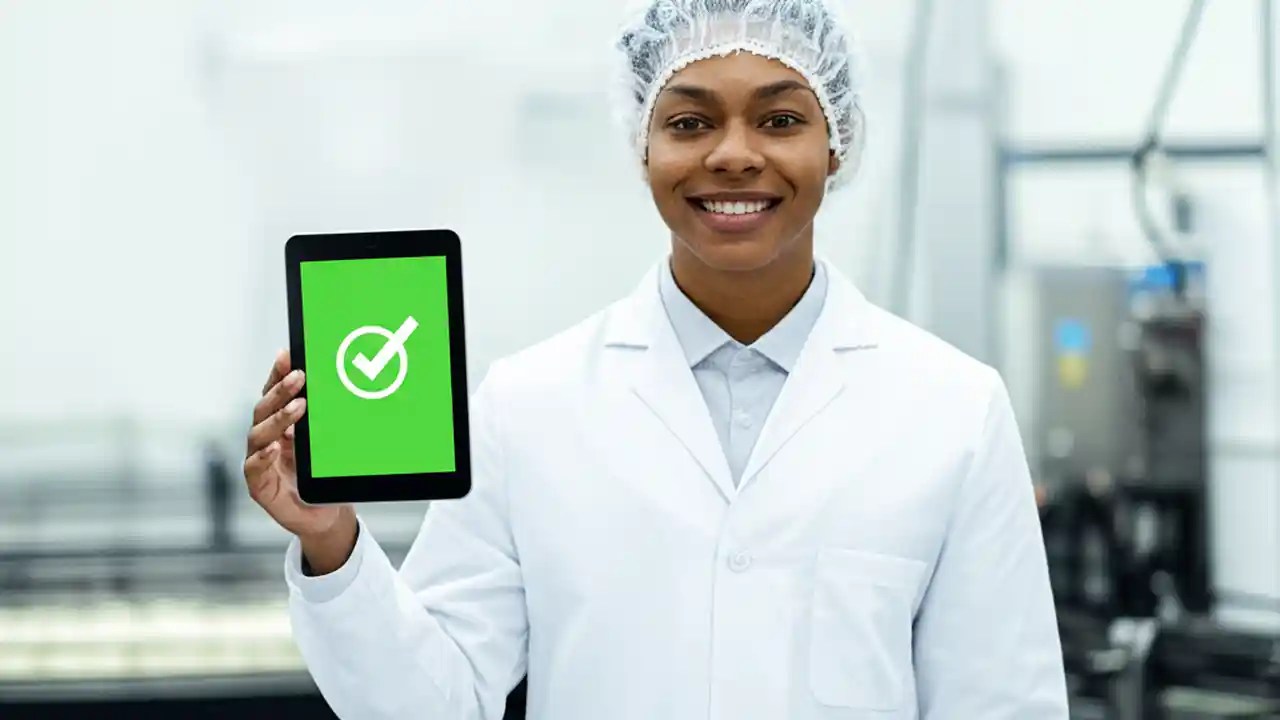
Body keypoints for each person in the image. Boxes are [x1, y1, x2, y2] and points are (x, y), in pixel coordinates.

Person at [243, 0, 1069, 717]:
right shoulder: (529, 407)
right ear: (641, 145)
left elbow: (1002, 705)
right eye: (689, 122)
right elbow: (432, 704)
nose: (734, 154)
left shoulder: (953, 411)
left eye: (781, 119)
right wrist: (333, 541)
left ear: (838, 142)